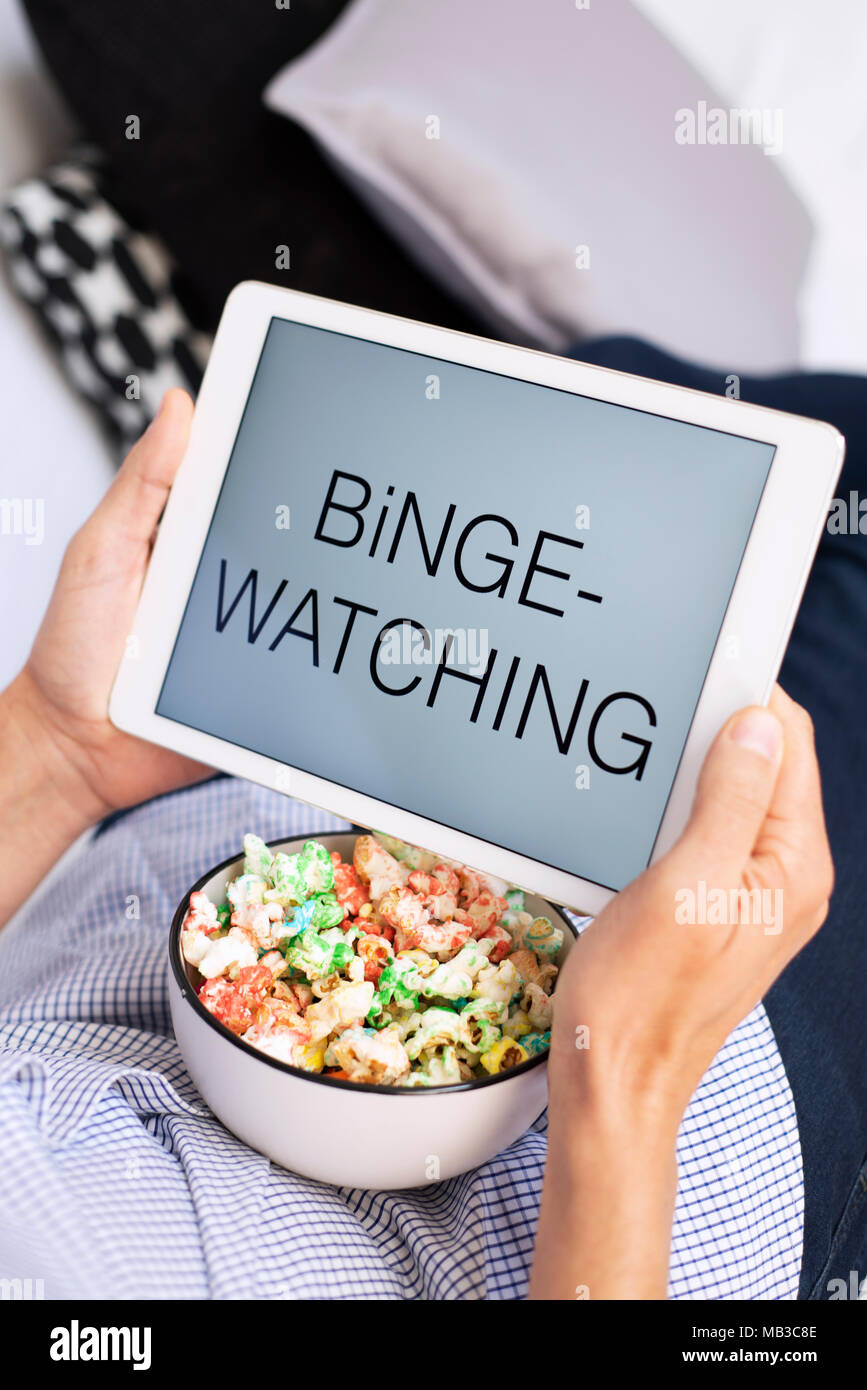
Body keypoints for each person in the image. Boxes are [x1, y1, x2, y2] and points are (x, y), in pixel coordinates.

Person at [0, 353, 862, 1300]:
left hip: (217, 808)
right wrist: (624, 1076)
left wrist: (55, 748)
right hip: (682, 1077)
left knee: (580, 400)